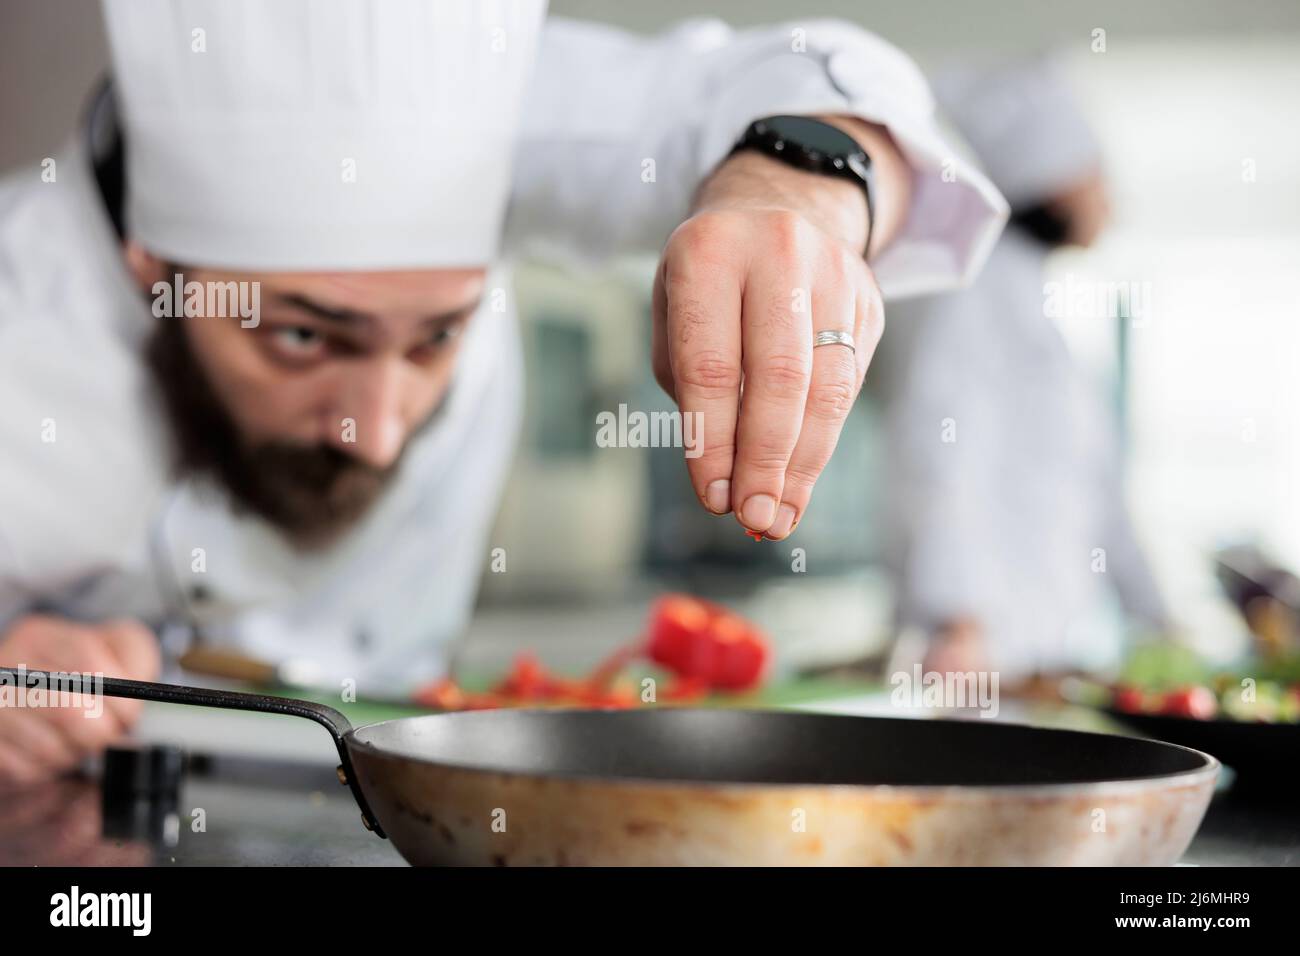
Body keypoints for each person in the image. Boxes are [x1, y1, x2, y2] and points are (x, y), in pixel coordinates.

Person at [0, 0, 1005, 782]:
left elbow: (802, 78)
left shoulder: (478, 113)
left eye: (437, 337)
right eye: (302, 336)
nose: (382, 432)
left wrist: (793, 187)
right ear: (152, 263)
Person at [885, 58, 1168, 682]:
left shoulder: (1036, 307)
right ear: (1052, 178)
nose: (1109, 199)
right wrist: (957, 621)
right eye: (1097, 175)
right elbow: (936, 448)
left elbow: (1099, 494)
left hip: (1047, 654)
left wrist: (1161, 622)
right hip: (983, 657)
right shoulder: (965, 293)